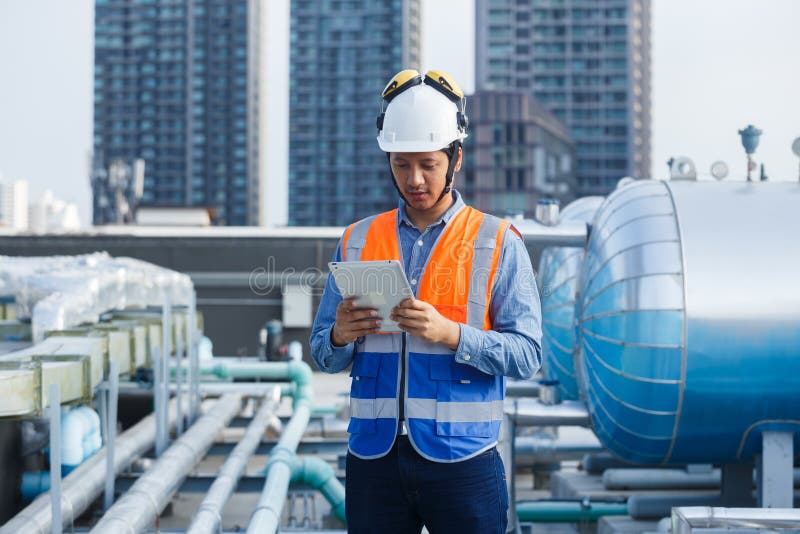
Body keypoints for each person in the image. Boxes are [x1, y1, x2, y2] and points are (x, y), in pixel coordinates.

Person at [310, 69, 542, 534]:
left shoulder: (497, 240)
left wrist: (451, 334)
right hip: (374, 461)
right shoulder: (357, 240)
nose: (414, 179)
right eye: (401, 164)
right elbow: (322, 354)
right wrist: (338, 335)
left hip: (464, 463)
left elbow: (528, 355)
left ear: (456, 158)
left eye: (427, 164)